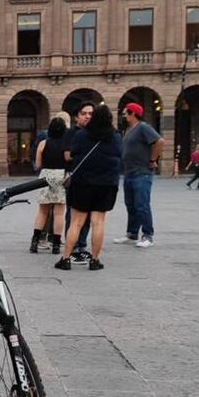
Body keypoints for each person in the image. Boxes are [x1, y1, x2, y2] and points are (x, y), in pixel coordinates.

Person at [56, 105, 122, 271]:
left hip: (82, 183)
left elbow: (72, 154)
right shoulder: (115, 137)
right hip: (106, 184)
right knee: (98, 223)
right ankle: (95, 260)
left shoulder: (81, 135)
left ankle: (66, 259)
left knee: (76, 223)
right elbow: (119, 156)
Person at [113, 102, 164, 248]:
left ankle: (148, 235)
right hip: (129, 173)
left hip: (141, 172)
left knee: (142, 205)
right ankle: (132, 233)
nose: (123, 115)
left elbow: (159, 141)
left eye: (125, 112)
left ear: (133, 113)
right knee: (131, 205)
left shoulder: (143, 127)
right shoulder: (130, 129)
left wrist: (153, 160)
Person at [30, 113, 70, 254]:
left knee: (42, 212)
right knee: (59, 214)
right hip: (60, 177)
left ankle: (35, 242)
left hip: (45, 177)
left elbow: (38, 164)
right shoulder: (66, 145)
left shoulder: (43, 143)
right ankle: (56, 245)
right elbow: (68, 161)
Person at [64, 102, 95, 264]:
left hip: (91, 179)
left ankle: (81, 245)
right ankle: (73, 246)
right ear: (76, 117)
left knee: (88, 215)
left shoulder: (93, 133)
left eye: (90, 114)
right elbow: (67, 156)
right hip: (76, 179)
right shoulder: (72, 133)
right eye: (84, 113)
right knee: (73, 214)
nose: (87, 116)